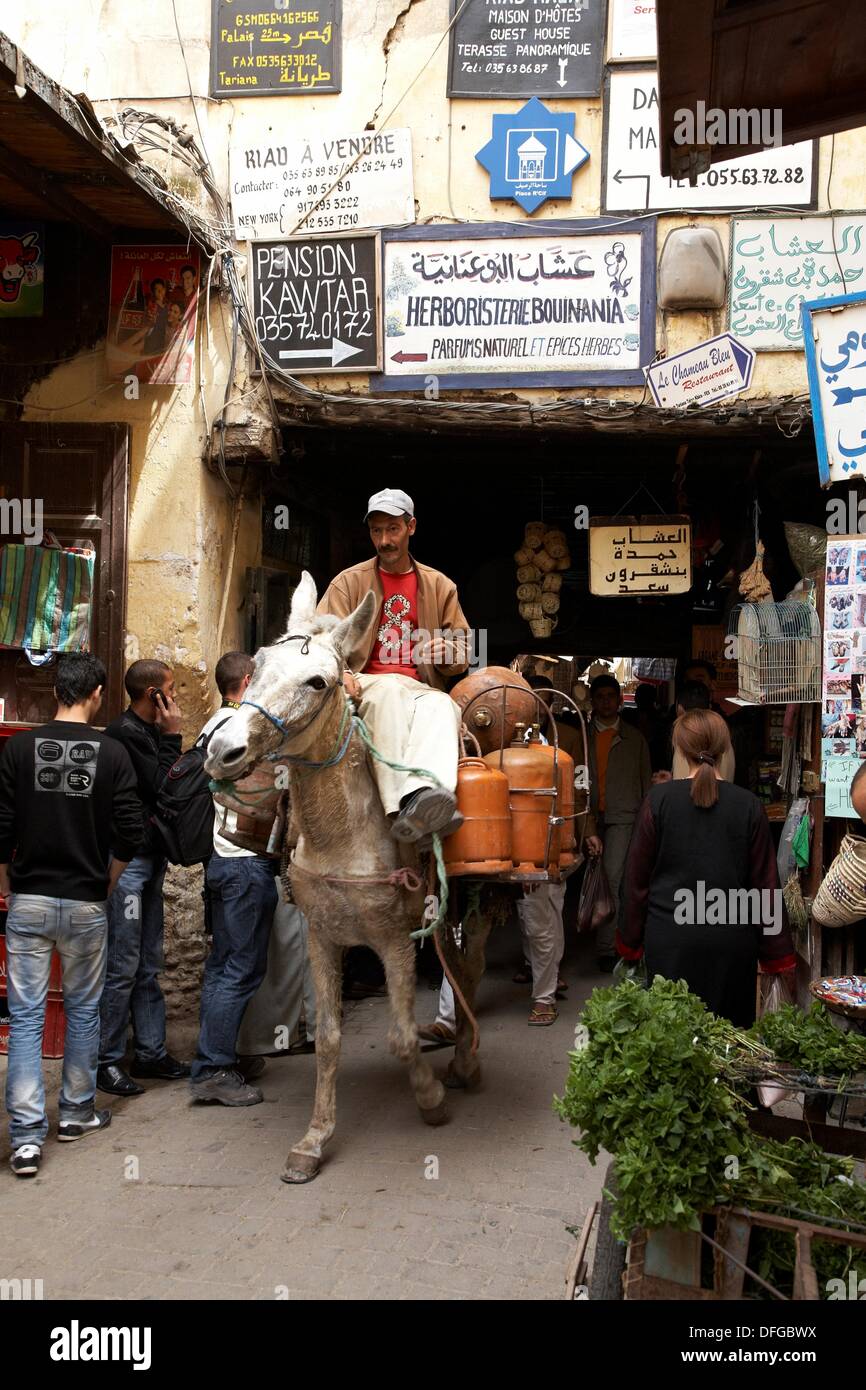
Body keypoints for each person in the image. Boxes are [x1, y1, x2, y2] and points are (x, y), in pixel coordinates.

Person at [0, 654, 144, 1176]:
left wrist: (8, 886)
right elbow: (133, 830)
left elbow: (1, 826)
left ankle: (25, 1138)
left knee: (25, 1018)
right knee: (84, 1009)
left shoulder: (18, 749)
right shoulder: (114, 753)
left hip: (30, 901)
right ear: (97, 694)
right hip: (85, 902)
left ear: (57, 691)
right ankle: (77, 1114)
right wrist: (107, 881)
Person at [619, 710, 796, 1027]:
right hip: (731, 945)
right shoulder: (749, 805)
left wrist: (630, 943)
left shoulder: (657, 801)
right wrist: (777, 954)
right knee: (728, 1043)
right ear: (726, 749)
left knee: (670, 1042)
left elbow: (635, 881)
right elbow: (765, 887)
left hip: (670, 940)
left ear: (679, 749)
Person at [316, 487, 470, 844]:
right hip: (367, 681)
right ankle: (398, 807)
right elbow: (320, 638)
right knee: (388, 691)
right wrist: (343, 672)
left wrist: (448, 653)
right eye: (376, 531)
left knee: (444, 704)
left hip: (421, 687)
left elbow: (465, 651)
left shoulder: (440, 585)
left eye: (393, 529)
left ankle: (426, 798)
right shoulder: (348, 582)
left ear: (411, 526)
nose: (384, 540)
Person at [190, 652, 278, 1106]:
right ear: (248, 680)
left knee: (223, 964)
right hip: (244, 861)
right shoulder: (239, 727)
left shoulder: (212, 723)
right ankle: (213, 1069)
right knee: (240, 968)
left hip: (223, 860)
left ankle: (216, 1055)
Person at [97, 659, 189, 1096]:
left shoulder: (147, 732)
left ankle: (151, 1052)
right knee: (122, 964)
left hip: (152, 861)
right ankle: (108, 1059)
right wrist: (172, 737)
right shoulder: (125, 733)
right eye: (171, 688)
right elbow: (162, 784)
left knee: (149, 963)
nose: (176, 695)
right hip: (129, 863)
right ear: (154, 694)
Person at [583, 673, 652, 972]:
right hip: (586, 815)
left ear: (619, 700)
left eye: (610, 696)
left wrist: (646, 822)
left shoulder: (634, 738)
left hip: (623, 817)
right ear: (592, 701)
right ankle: (586, 932)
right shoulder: (582, 738)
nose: (605, 702)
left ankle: (607, 947)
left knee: (612, 879)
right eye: (599, 697)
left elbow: (646, 783)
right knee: (582, 879)